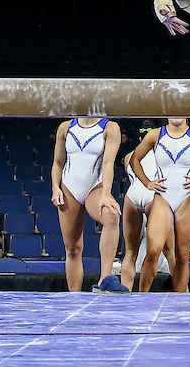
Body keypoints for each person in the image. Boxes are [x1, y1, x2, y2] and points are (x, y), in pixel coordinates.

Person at [131, 117, 190, 292]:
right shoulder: (155, 135)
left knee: (182, 255)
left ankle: (179, 301)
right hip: (163, 198)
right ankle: (141, 297)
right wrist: (147, 183)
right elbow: (134, 159)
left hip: (187, 198)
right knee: (153, 251)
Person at [50, 116, 128, 294]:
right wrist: (55, 187)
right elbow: (57, 162)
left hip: (95, 187)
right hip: (69, 188)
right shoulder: (65, 127)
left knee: (111, 215)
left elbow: (108, 163)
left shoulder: (109, 127)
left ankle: (105, 279)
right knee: (72, 248)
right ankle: (74, 297)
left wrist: (106, 194)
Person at [119, 131, 174, 290]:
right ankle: (182, 292)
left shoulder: (129, 156)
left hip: (133, 195)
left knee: (130, 253)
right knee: (170, 252)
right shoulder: (164, 152)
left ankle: (125, 292)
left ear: (140, 138)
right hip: (153, 194)